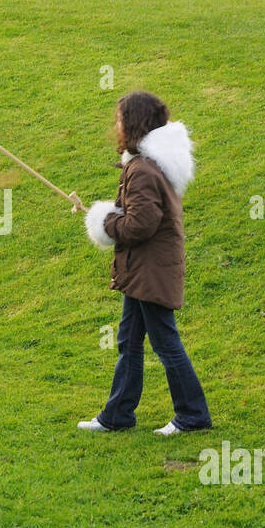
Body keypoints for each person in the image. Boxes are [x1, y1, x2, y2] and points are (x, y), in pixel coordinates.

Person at [78, 90, 213, 435]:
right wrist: (108, 215)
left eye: (120, 118)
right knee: (129, 339)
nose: (116, 124)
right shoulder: (148, 166)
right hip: (145, 271)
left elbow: (141, 224)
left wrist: (105, 222)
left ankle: (193, 416)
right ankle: (117, 415)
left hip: (150, 272)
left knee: (165, 342)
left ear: (134, 123)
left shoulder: (142, 170)